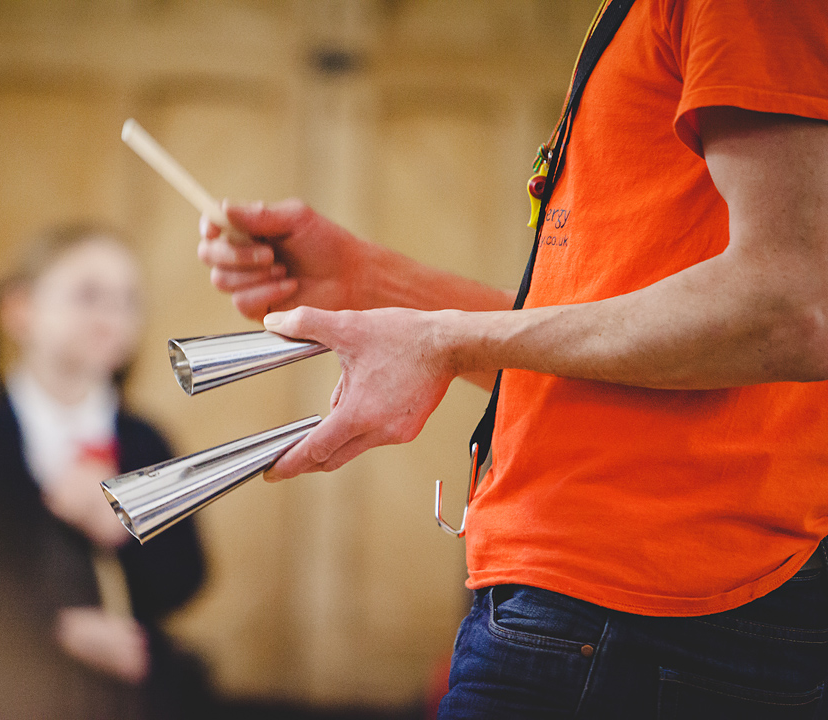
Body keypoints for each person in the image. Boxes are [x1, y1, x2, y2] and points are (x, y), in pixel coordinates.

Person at [197, 1, 828, 717]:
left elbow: (794, 306)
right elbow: (608, 351)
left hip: (640, 619)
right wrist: (364, 279)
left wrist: (445, 342)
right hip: (607, 615)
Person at [0, 223, 209, 720]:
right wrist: (58, 630)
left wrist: (119, 528)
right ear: (20, 311)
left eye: (127, 301)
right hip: (1, 688)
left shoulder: (146, 442)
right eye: (88, 296)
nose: (112, 316)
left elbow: (186, 574)